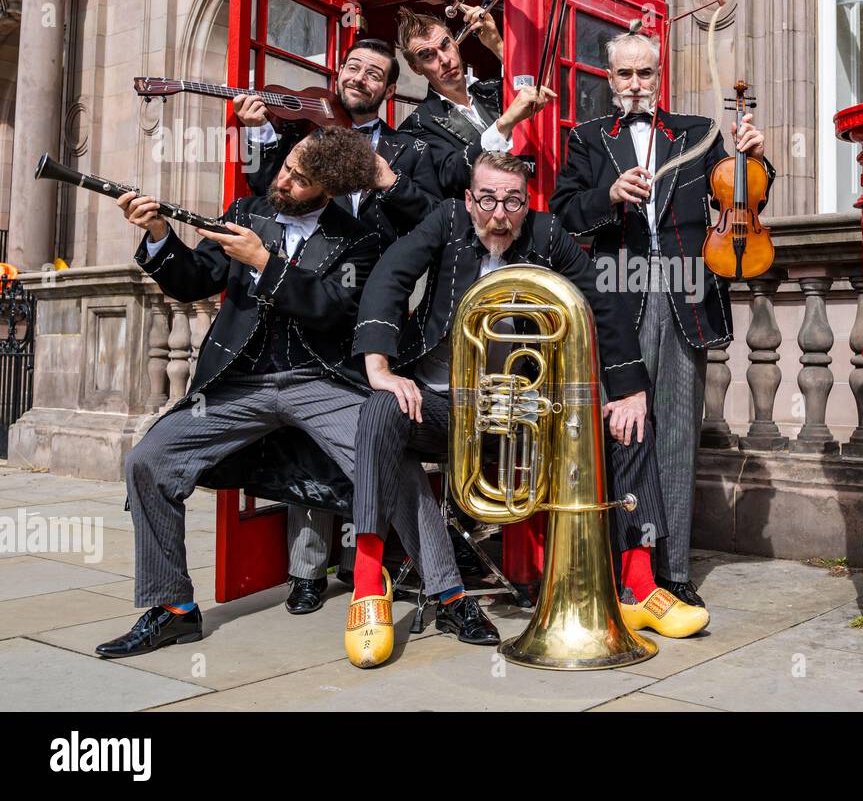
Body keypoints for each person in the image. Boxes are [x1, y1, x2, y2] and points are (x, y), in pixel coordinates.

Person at [346, 150, 709, 669]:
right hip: (443, 406)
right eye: (488, 199)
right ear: (470, 199)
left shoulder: (547, 234)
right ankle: (367, 586)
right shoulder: (445, 221)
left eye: (513, 201)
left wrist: (629, 388)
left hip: (525, 409)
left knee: (629, 424)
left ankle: (639, 588)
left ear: (526, 202)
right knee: (379, 411)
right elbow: (389, 276)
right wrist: (380, 368)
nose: (499, 213)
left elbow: (603, 304)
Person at [95, 127, 382, 658]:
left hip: (316, 381)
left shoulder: (358, 239)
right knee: (149, 461)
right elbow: (193, 278)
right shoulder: (247, 213)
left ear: (330, 187)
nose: (285, 179)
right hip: (239, 384)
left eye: (301, 178)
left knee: (384, 458)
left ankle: (440, 587)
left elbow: (330, 308)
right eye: (287, 166)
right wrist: (159, 232)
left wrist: (264, 263)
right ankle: (173, 608)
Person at [550, 32, 773, 608]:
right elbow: (563, 212)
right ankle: (626, 565)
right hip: (616, 299)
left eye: (645, 74)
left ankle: (671, 571)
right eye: (624, 75)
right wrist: (608, 194)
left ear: (659, 75)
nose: (635, 85)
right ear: (608, 78)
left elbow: (740, 198)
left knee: (674, 433)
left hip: (683, 294)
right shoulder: (588, 138)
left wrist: (755, 155)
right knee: (621, 433)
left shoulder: (698, 133)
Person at [232, 38, 437, 614]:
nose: (361, 77)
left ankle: (364, 561)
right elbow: (266, 199)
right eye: (354, 66)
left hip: (377, 314)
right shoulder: (306, 134)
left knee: (370, 436)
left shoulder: (406, 148)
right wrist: (260, 138)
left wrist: (385, 180)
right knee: (305, 435)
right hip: (308, 300)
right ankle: (305, 569)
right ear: (338, 73)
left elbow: (430, 221)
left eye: (376, 72)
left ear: (389, 90)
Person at [394, 6, 555, 199]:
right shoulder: (416, 126)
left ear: (456, 43)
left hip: (541, 200)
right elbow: (453, 174)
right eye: (428, 56)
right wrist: (504, 124)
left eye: (445, 45)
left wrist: (497, 44)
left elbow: (547, 88)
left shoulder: (496, 88)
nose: (444, 60)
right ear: (415, 68)